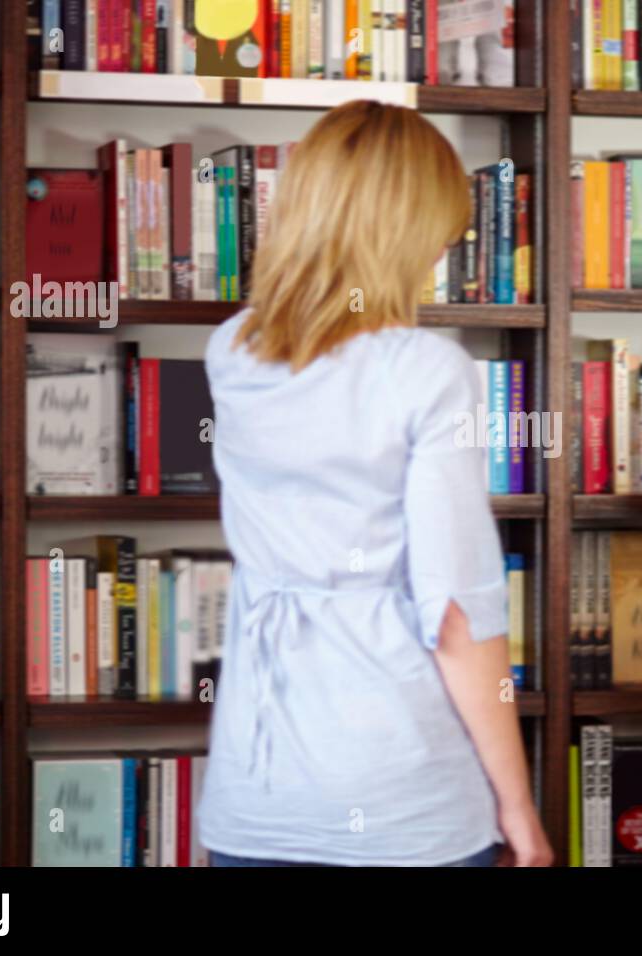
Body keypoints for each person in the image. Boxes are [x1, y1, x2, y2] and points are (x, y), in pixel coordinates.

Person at [197, 100, 551, 868]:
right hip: (402, 801)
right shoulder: (427, 372)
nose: (436, 260)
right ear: (398, 231)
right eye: (436, 237)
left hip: (254, 798)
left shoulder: (231, 352)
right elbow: (457, 614)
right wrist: (518, 806)